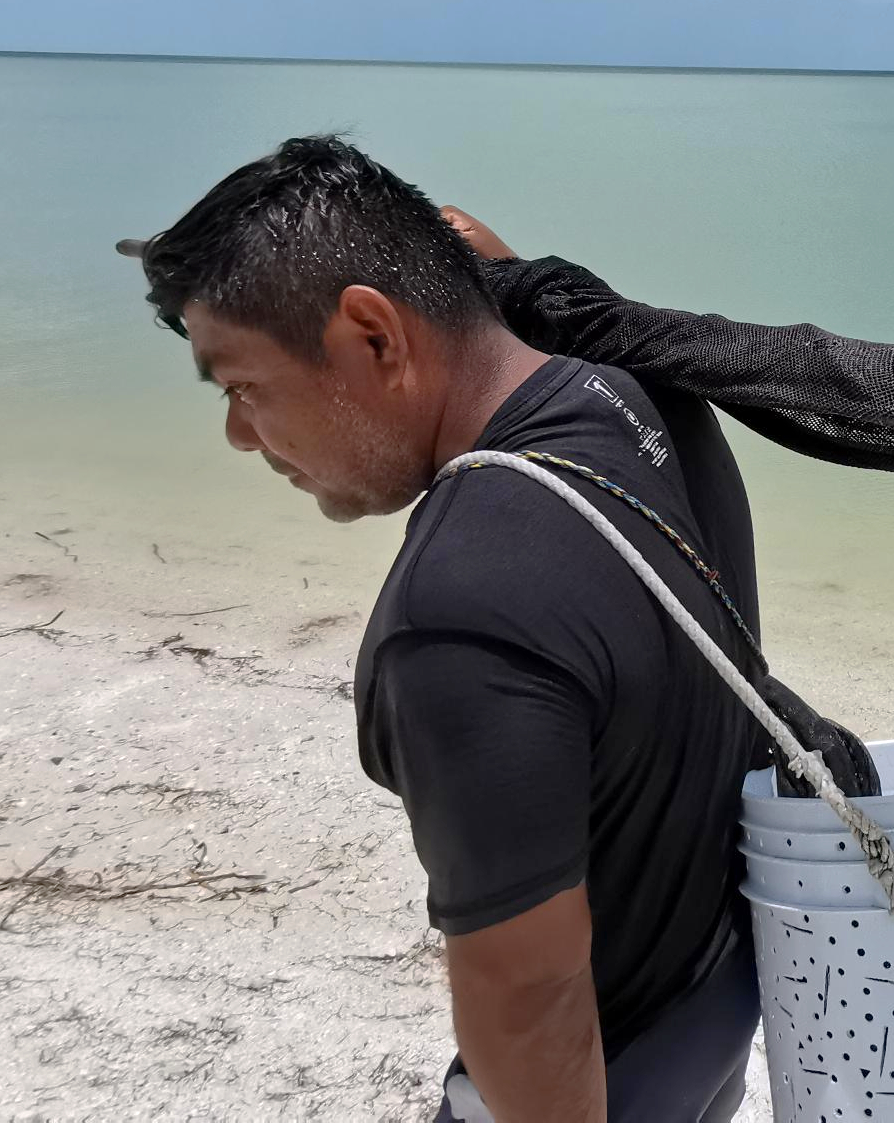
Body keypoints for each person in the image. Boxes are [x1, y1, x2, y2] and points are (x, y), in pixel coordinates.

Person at [128, 136, 784, 1122]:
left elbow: (532, 997)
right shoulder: (646, 400)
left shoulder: (459, 613)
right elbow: (470, 257)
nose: (238, 434)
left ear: (375, 336)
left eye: (240, 386)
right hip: (710, 1032)